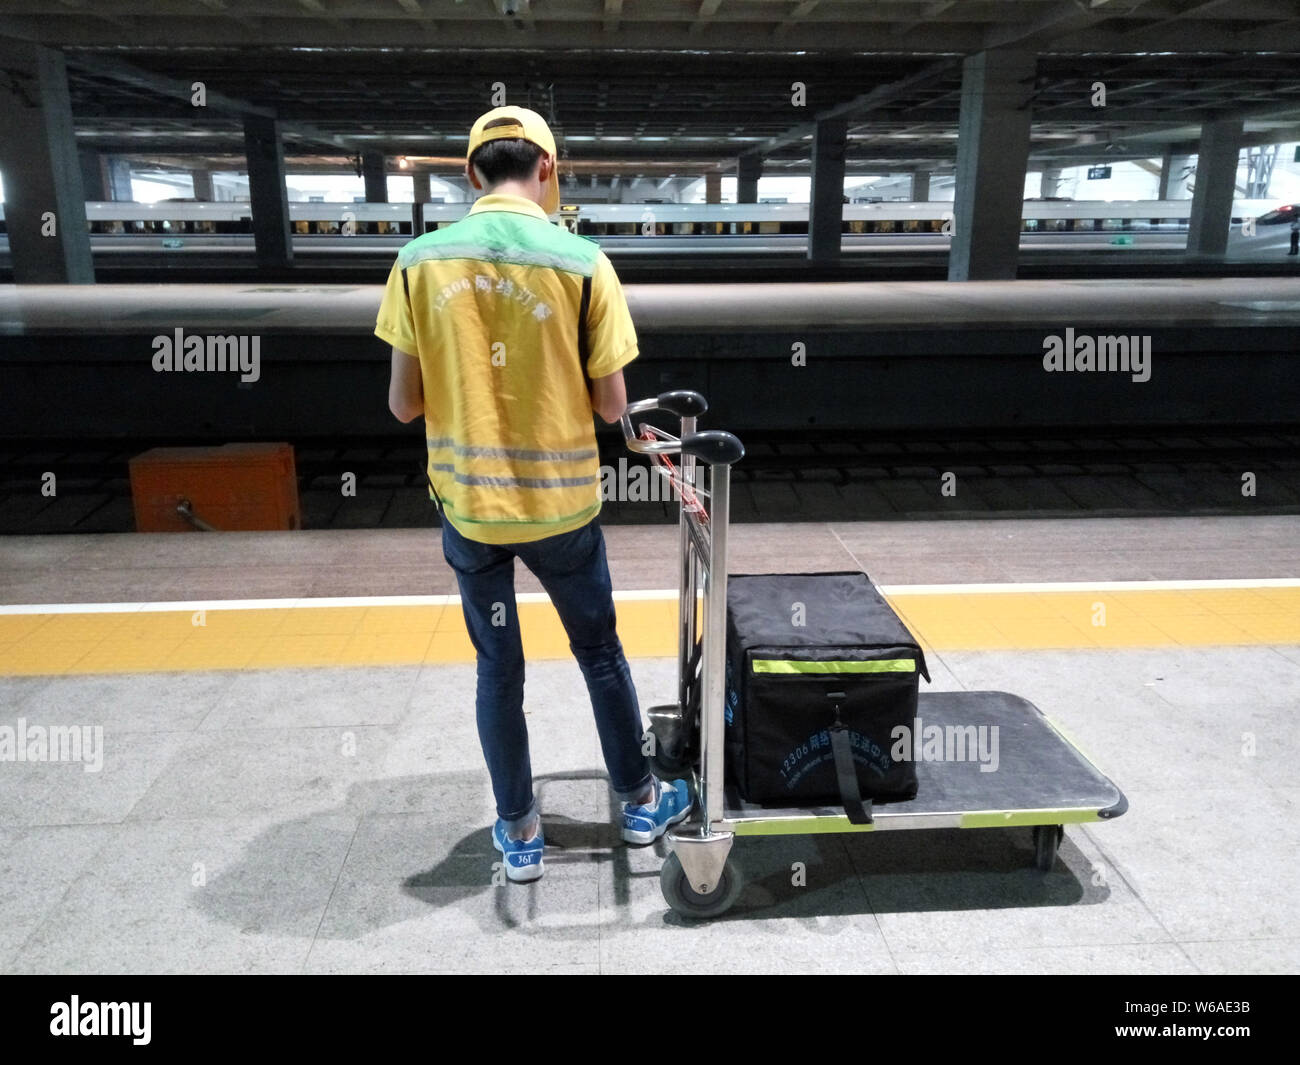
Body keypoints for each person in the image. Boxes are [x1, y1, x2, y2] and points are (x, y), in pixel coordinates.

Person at [374, 106, 690, 883]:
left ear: (469, 172)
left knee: (498, 668)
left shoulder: (418, 263)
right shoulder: (583, 263)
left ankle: (519, 834)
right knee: (599, 653)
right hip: (562, 513)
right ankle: (642, 802)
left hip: (471, 517)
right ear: (547, 170)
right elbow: (614, 406)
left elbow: (403, 406)